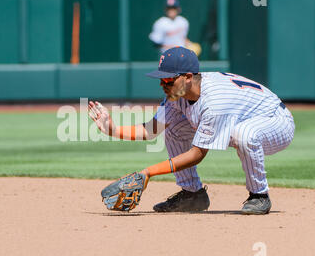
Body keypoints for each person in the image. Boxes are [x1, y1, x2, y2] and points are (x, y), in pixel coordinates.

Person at [88, 46, 295, 214]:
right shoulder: (177, 96)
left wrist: (148, 173)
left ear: (187, 77)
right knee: (175, 129)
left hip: (275, 121)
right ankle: (192, 194)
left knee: (244, 134)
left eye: (168, 79)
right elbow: (152, 130)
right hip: (243, 117)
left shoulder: (213, 101)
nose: (163, 84)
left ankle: (259, 196)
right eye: (160, 79)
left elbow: (197, 154)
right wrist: (112, 129)